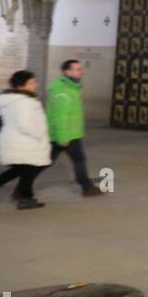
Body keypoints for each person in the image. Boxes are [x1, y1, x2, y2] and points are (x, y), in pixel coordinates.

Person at [0, 70, 52, 210]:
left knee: (22, 171)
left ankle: (21, 197)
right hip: (25, 142)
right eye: (32, 82)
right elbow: (25, 124)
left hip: (15, 141)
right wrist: (40, 133)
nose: (36, 85)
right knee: (27, 169)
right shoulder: (24, 102)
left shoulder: (13, 99)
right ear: (21, 86)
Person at [46, 59, 105, 196]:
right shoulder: (63, 91)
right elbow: (61, 117)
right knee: (45, 162)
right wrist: (62, 137)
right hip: (65, 135)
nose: (81, 72)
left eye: (80, 68)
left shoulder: (71, 88)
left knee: (76, 159)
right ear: (67, 72)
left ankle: (86, 186)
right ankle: (22, 186)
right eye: (77, 69)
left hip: (71, 133)